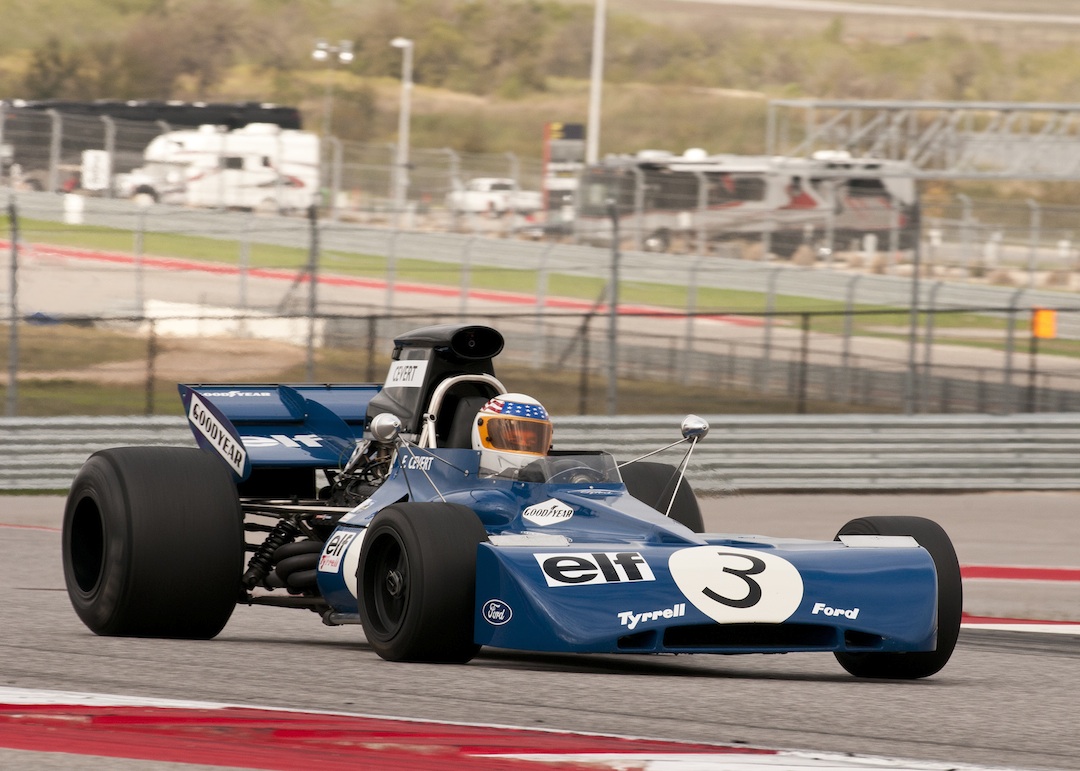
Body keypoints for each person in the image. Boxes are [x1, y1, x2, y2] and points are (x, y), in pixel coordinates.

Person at [471, 393, 553, 477]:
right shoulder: (469, 485)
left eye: (530, 443)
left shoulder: (550, 481)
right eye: (514, 441)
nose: (523, 444)